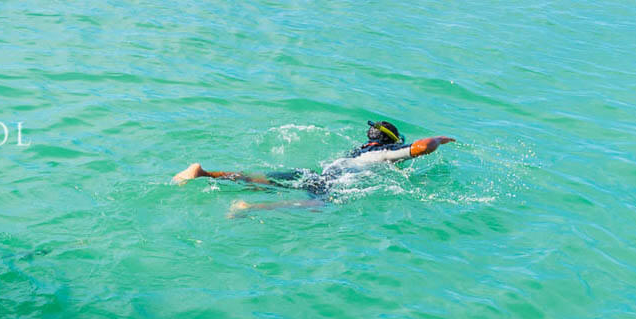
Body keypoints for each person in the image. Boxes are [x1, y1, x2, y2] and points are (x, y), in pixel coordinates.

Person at [173, 120, 456, 211]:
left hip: (316, 173)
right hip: (331, 184)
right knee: (318, 206)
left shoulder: (357, 151)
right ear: (392, 141)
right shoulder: (387, 154)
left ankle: (203, 173)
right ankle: (249, 209)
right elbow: (421, 147)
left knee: (263, 180)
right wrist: (439, 139)